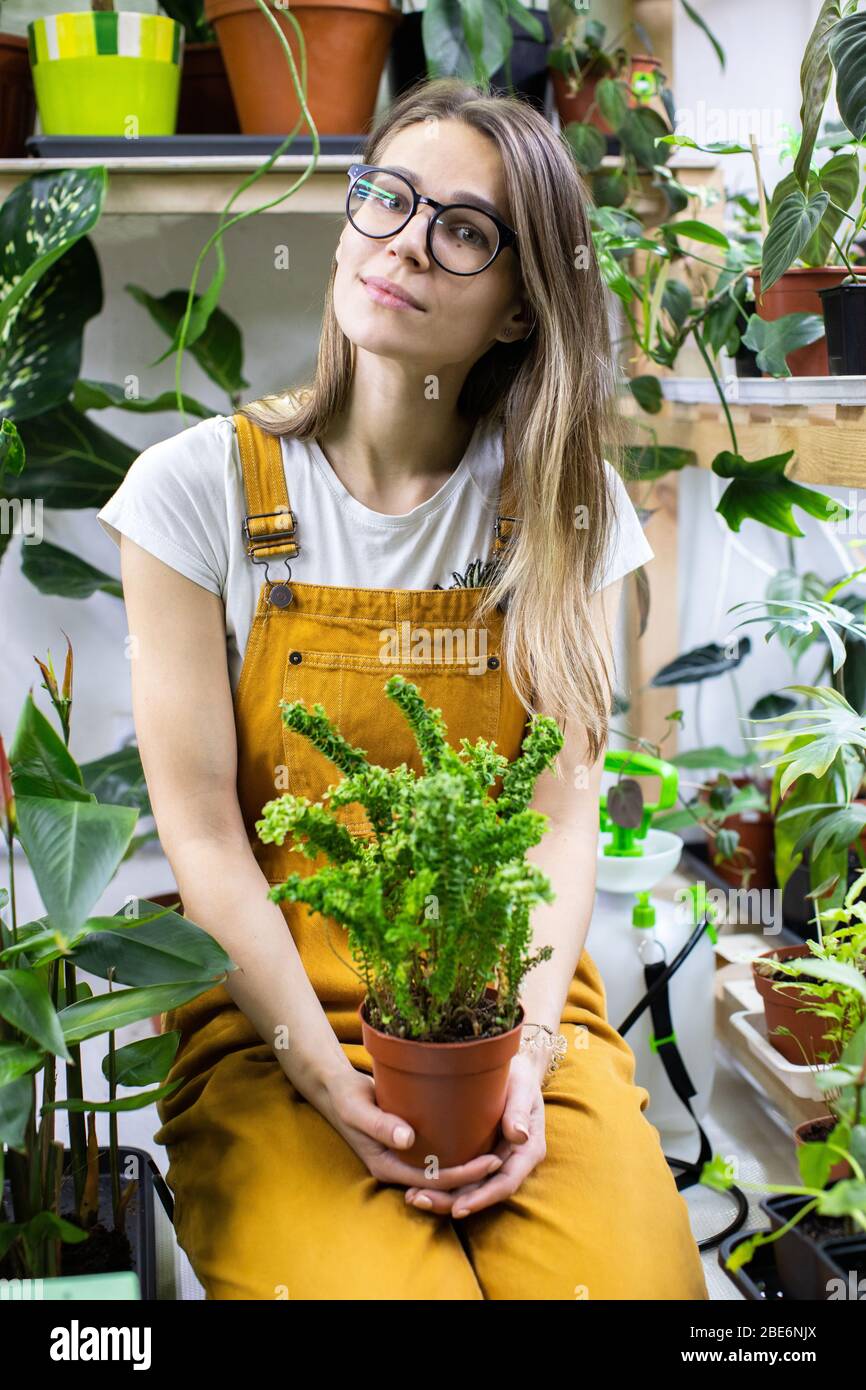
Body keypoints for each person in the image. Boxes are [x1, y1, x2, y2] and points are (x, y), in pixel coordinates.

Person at [97, 77, 709, 1301]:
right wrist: (327, 1075)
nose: (402, 244)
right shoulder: (193, 492)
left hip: (516, 1012)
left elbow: (556, 813)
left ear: (518, 312)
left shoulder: (560, 508)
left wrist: (528, 1060)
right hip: (277, 1023)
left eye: (463, 229)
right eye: (386, 198)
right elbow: (208, 836)